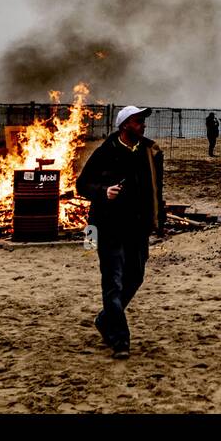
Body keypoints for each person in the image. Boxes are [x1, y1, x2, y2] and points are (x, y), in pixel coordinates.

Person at [75, 105, 164, 359]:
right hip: (109, 226)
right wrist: (104, 192)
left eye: (142, 121)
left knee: (135, 277)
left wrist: (158, 219)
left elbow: (156, 189)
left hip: (138, 227)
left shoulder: (149, 152)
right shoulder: (106, 152)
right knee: (112, 283)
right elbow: (82, 185)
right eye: (138, 121)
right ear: (125, 125)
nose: (143, 125)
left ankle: (105, 319)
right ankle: (120, 339)